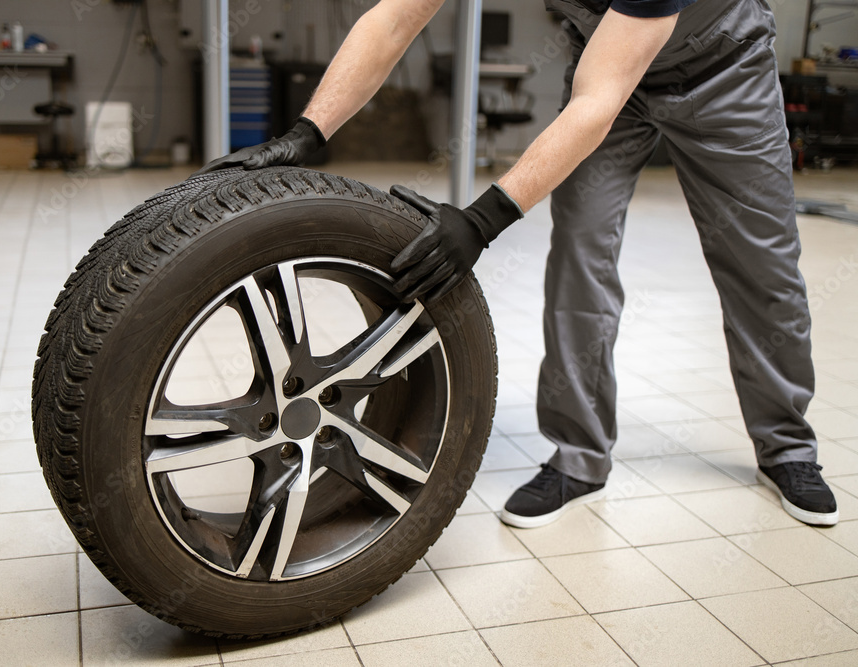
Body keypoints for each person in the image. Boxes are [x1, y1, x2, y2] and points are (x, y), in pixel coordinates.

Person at [198, 0, 838, 527]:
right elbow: (395, 17)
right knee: (578, 263)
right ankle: (578, 458)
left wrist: (481, 222)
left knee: (761, 267)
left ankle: (786, 447)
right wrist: (306, 133)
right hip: (604, 66)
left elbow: (597, 102)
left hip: (723, 74)